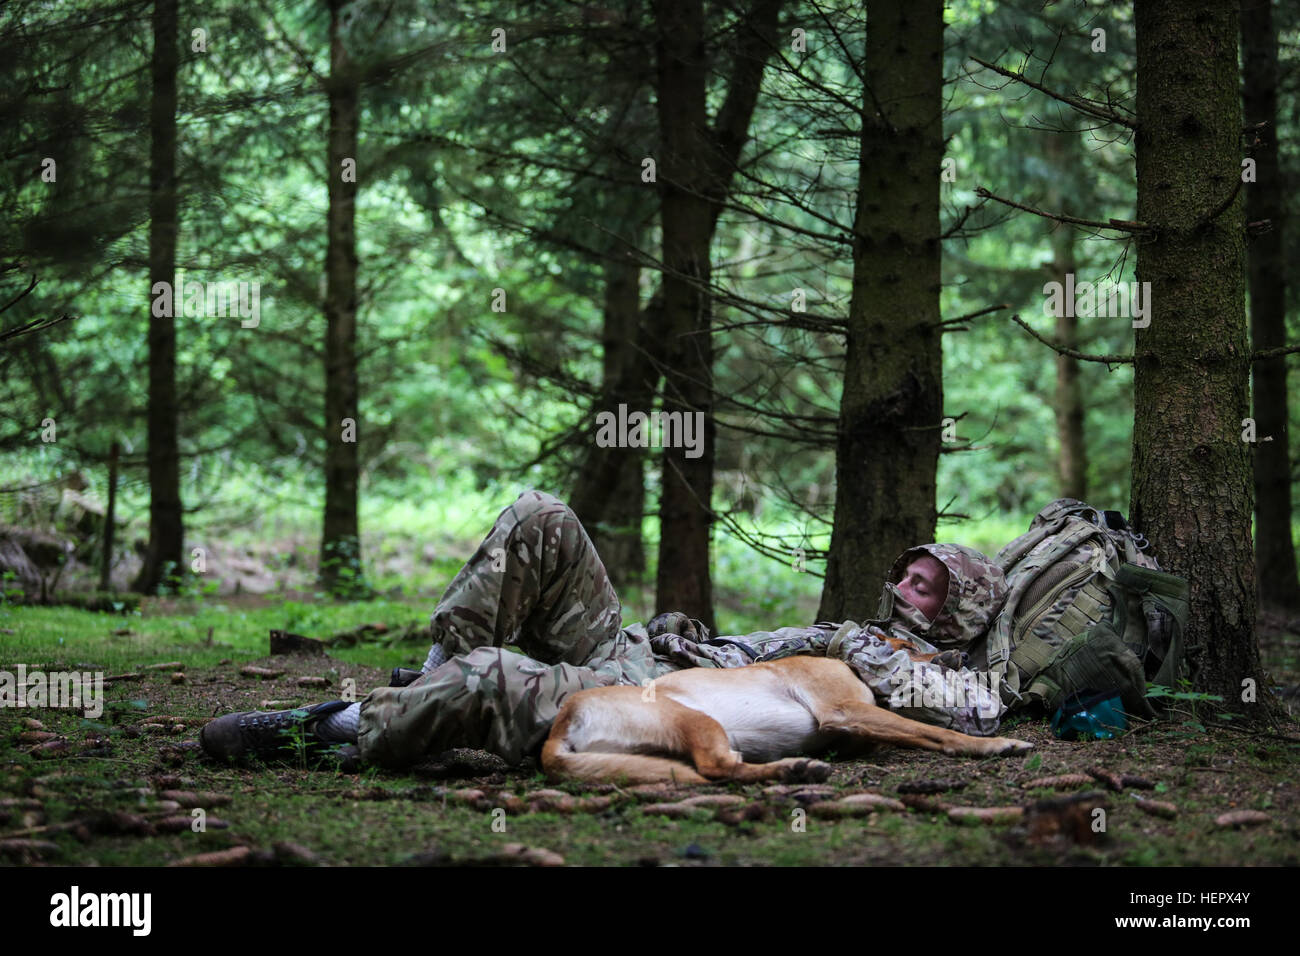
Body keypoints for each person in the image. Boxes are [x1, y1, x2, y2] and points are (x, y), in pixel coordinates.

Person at [200, 490, 1010, 769]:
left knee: (495, 678)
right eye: (907, 573)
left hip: (656, 699)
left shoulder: (926, 673)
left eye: (927, 586)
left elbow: (975, 715)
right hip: (646, 653)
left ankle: (330, 729)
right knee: (541, 517)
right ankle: (431, 673)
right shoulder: (848, 629)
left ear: (960, 613)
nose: (902, 587)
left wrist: (877, 650)